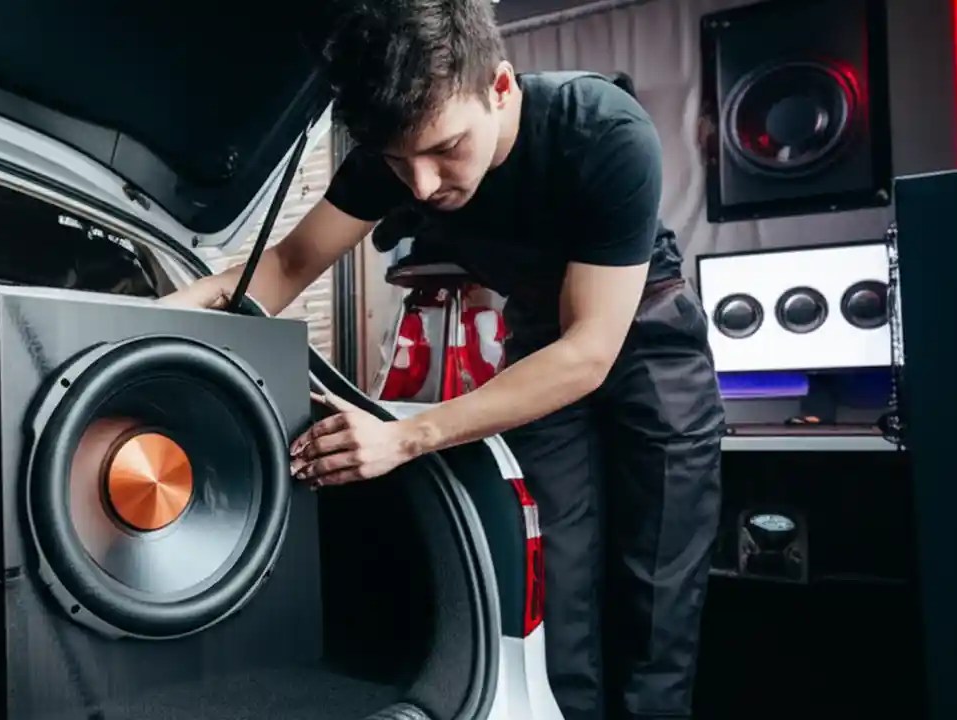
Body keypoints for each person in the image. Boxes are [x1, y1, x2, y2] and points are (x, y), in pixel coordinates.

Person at [160, 2, 724, 718]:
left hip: (647, 347)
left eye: (445, 148)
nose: (422, 186)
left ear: (501, 87)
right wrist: (131, 319)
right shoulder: (396, 165)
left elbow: (588, 353)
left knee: (655, 602)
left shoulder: (604, 130)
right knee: (554, 591)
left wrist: (405, 434)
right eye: (401, 162)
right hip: (537, 346)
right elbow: (282, 266)